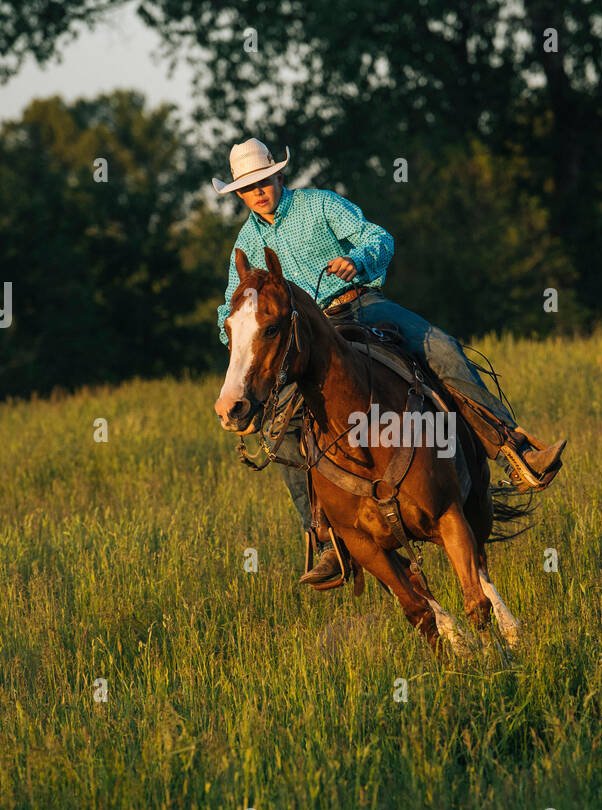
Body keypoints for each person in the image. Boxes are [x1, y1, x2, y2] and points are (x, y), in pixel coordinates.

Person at [213, 137, 566, 587]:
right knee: (279, 436)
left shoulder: (319, 205)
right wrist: (233, 331)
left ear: (278, 176)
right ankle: (328, 540)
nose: (258, 191)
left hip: (358, 305)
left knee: (441, 349)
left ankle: (513, 450)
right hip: (302, 338)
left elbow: (377, 236)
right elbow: (232, 303)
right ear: (239, 195)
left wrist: (356, 259)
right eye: (248, 188)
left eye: (264, 181)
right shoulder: (244, 242)